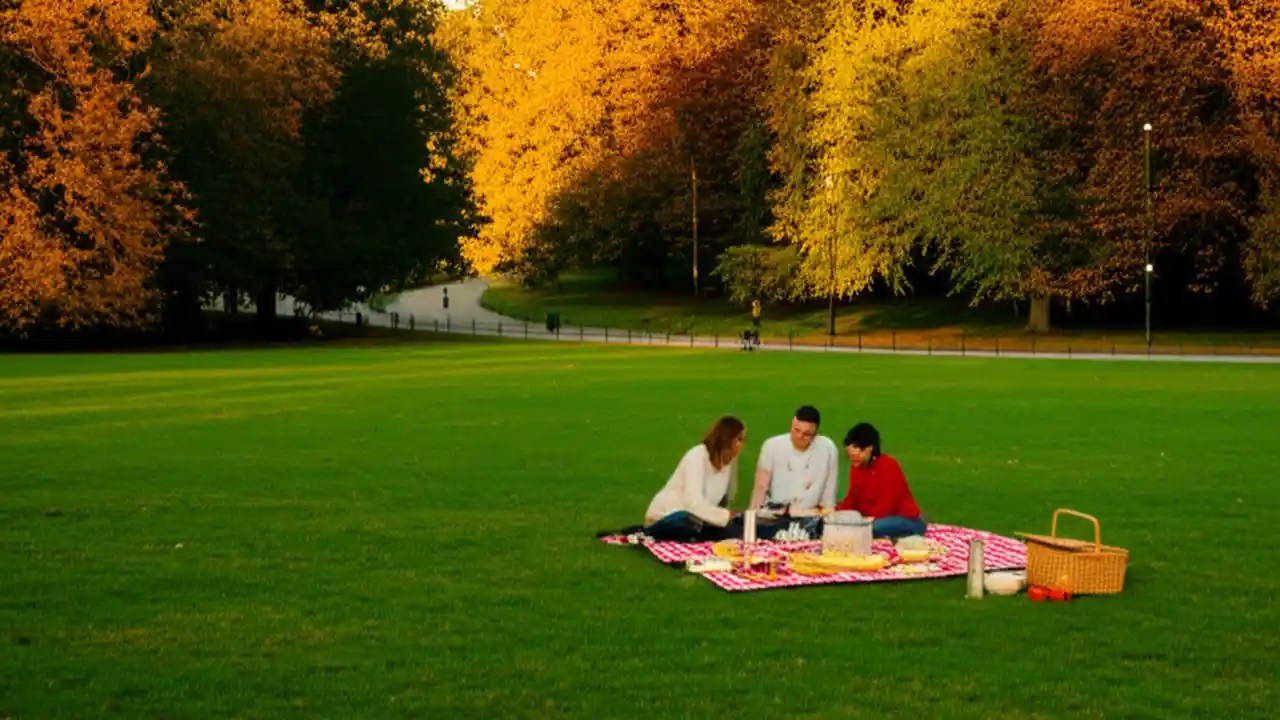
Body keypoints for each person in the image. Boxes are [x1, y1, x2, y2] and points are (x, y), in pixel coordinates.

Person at [642, 416, 747, 541]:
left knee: (738, 528)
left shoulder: (728, 465)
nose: (741, 445)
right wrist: (725, 516)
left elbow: (719, 505)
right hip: (669, 517)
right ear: (727, 439)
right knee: (688, 522)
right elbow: (693, 504)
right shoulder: (697, 456)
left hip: (700, 519)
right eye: (739, 439)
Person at [834, 422, 926, 538]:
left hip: (906, 519)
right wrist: (838, 513)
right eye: (850, 456)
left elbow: (887, 506)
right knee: (839, 523)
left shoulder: (888, 466)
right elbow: (853, 498)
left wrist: (864, 522)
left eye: (858, 454)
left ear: (870, 448)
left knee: (873, 527)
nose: (853, 459)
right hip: (875, 519)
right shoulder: (857, 467)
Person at [749, 405, 838, 514]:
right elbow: (760, 489)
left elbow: (828, 498)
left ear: (815, 434)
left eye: (806, 434)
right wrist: (754, 516)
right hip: (777, 513)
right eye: (796, 430)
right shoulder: (771, 446)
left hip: (811, 514)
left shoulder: (828, 448)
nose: (800, 436)